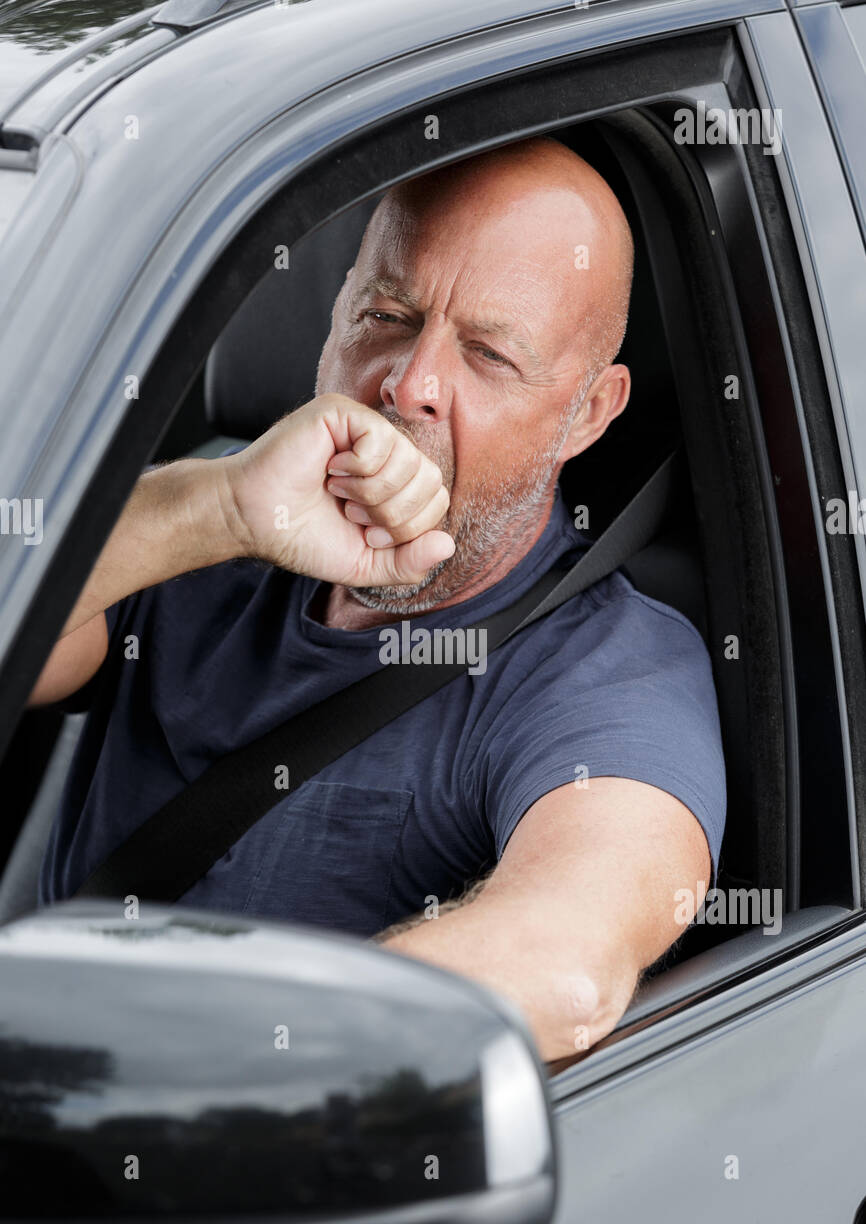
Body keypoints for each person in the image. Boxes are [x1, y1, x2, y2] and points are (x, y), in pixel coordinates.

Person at [30, 137, 725, 1062]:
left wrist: (211, 1064)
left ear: (589, 414)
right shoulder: (202, 525)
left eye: (488, 354)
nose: (410, 384)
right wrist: (221, 506)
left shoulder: (610, 677)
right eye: (387, 315)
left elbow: (565, 965)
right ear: (333, 319)